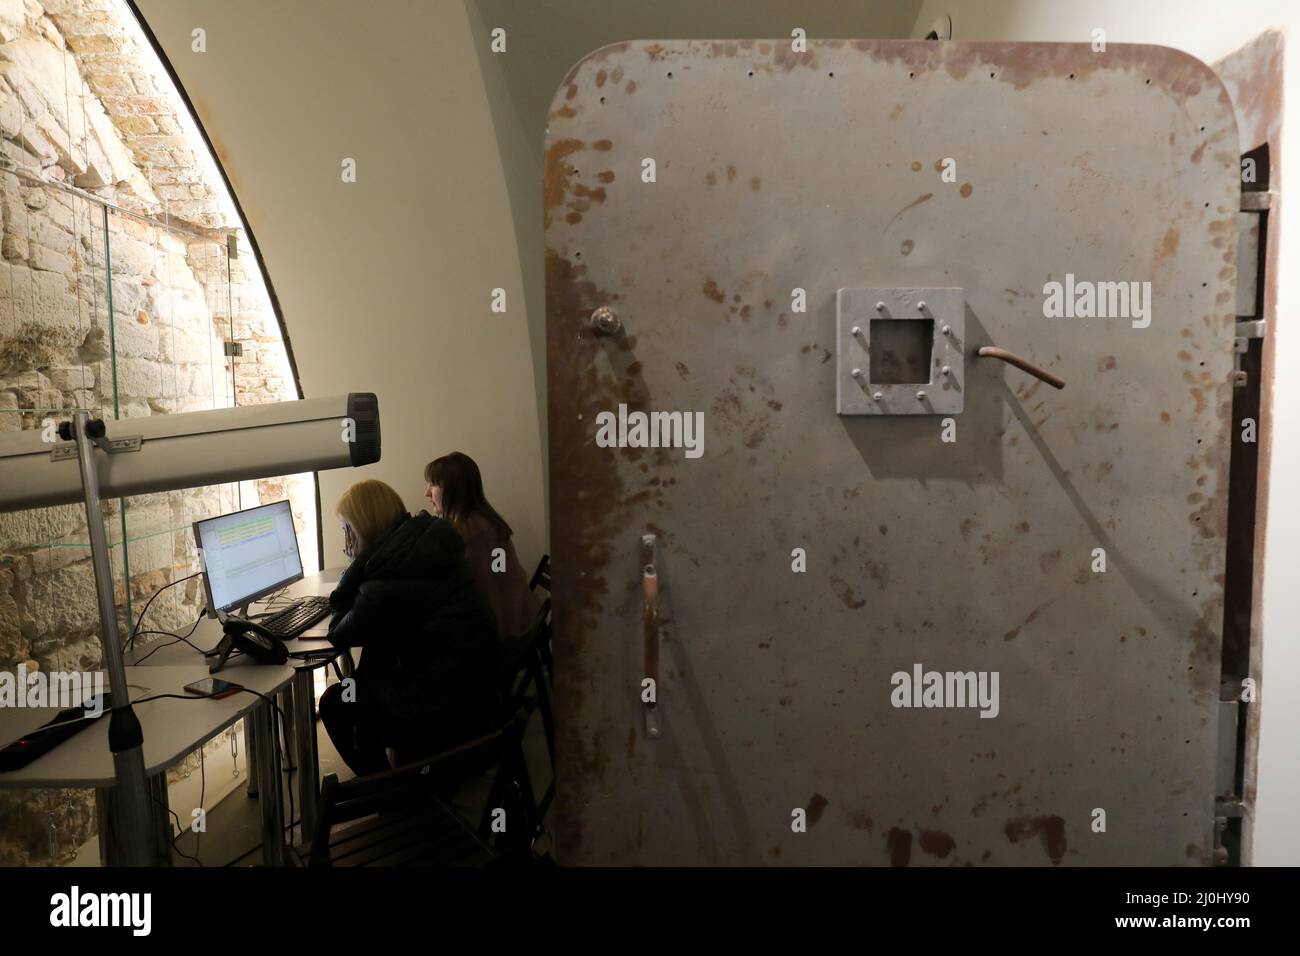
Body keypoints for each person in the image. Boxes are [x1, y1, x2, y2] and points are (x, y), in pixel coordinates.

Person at [318, 478, 501, 776]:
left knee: (335, 703)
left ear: (361, 528)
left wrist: (355, 566)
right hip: (480, 690)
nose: (345, 541)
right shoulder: (422, 542)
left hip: (449, 710)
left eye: (346, 530)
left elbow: (339, 634)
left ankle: (388, 792)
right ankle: (403, 777)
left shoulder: (384, 580)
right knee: (376, 656)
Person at [423, 452, 540, 643]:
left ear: (454, 489)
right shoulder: (481, 520)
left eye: (433, 484)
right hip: (524, 614)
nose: (427, 493)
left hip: (509, 631)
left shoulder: (472, 532)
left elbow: (491, 599)